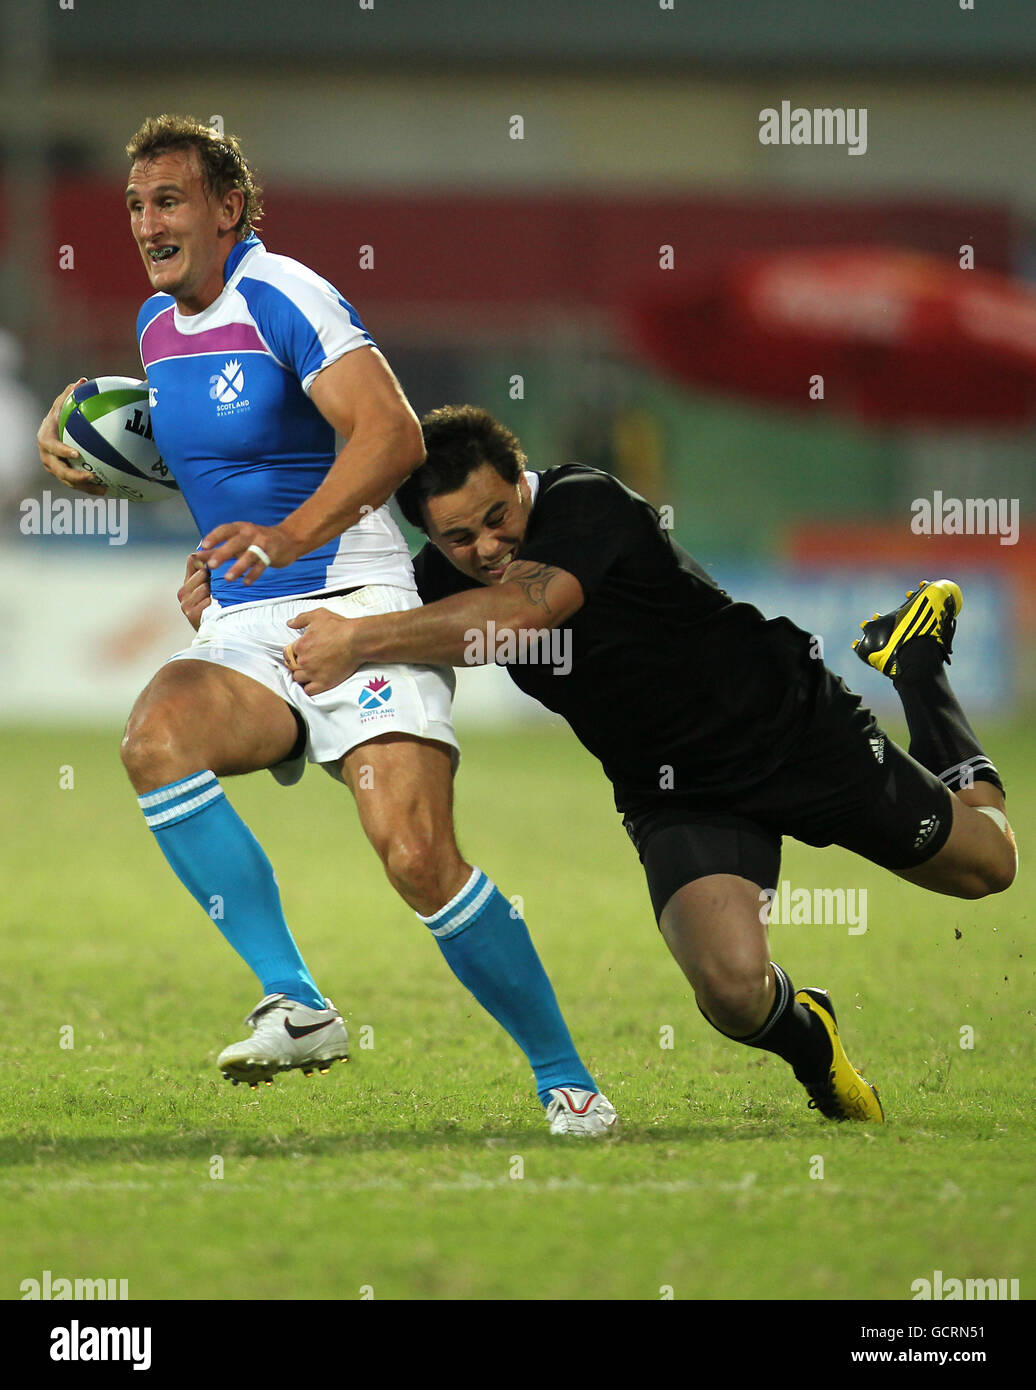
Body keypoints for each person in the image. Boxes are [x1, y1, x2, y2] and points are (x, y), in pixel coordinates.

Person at [36, 118, 615, 1137]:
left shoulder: (285, 293)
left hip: (358, 603)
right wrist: (90, 436)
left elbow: (389, 436)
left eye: (169, 200)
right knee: (154, 739)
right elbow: (218, 463)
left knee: (414, 852)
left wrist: (283, 535)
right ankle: (297, 1002)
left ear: (228, 208)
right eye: (135, 205)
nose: (148, 222)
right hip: (248, 625)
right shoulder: (156, 329)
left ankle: (565, 1078)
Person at [218, 403, 1017, 1123]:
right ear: (430, 535)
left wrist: (357, 640)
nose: (489, 547)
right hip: (674, 791)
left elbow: (526, 610)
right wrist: (226, 596)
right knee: (733, 993)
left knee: (989, 867)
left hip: (794, 730)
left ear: (520, 478)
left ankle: (915, 664)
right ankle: (818, 1051)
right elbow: (313, 627)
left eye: (500, 517)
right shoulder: (433, 584)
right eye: (460, 537)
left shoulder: (586, 502)